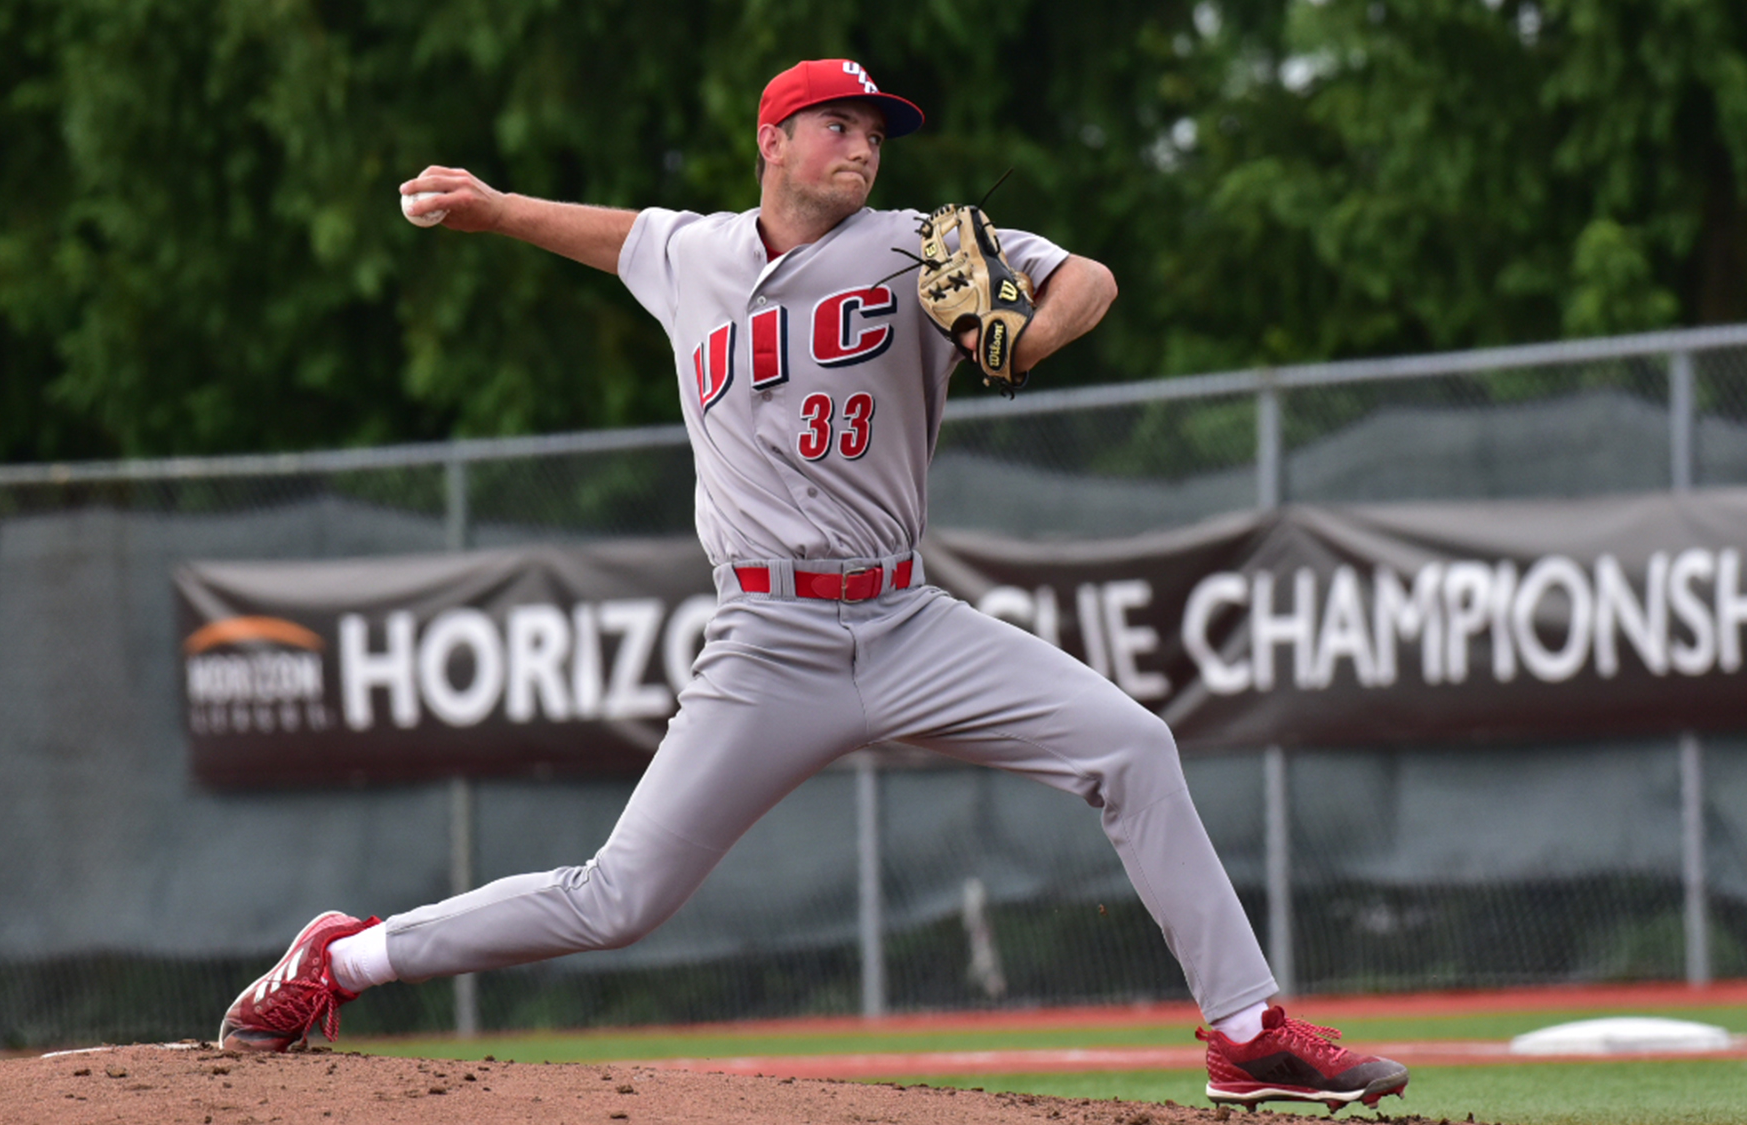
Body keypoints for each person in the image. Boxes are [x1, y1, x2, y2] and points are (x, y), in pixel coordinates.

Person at [216, 58, 1409, 1112]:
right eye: (836, 123)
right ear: (771, 143)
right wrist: (487, 209)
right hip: (766, 641)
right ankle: (348, 956)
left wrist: (1029, 334)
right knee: (617, 898)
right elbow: (613, 231)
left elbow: (1086, 277)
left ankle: (1245, 1034)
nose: (861, 144)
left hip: (906, 622)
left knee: (1133, 744)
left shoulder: (916, 246)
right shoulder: (694, 256)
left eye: (874, 130)